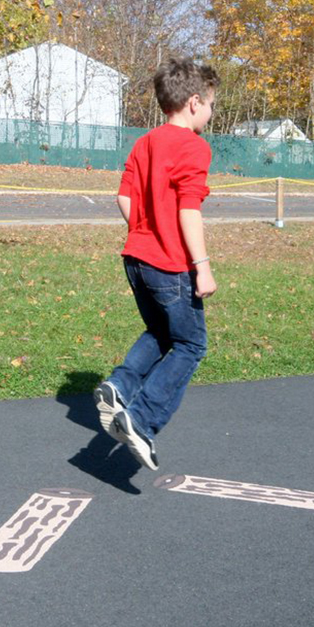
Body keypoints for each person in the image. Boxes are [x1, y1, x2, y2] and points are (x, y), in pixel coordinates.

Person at [94, 58, 219, 471]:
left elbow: (124, 197)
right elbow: (188, 210)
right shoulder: (193, 146)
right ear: (194, 102)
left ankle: (119, 386)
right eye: (211, 105)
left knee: (162, 332)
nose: (210, 113)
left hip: (136, 259)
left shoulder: (144, 142)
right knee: (191, 344)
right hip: (170, 265)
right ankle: (141, 419)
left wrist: (145, 232)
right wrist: (202, 265)